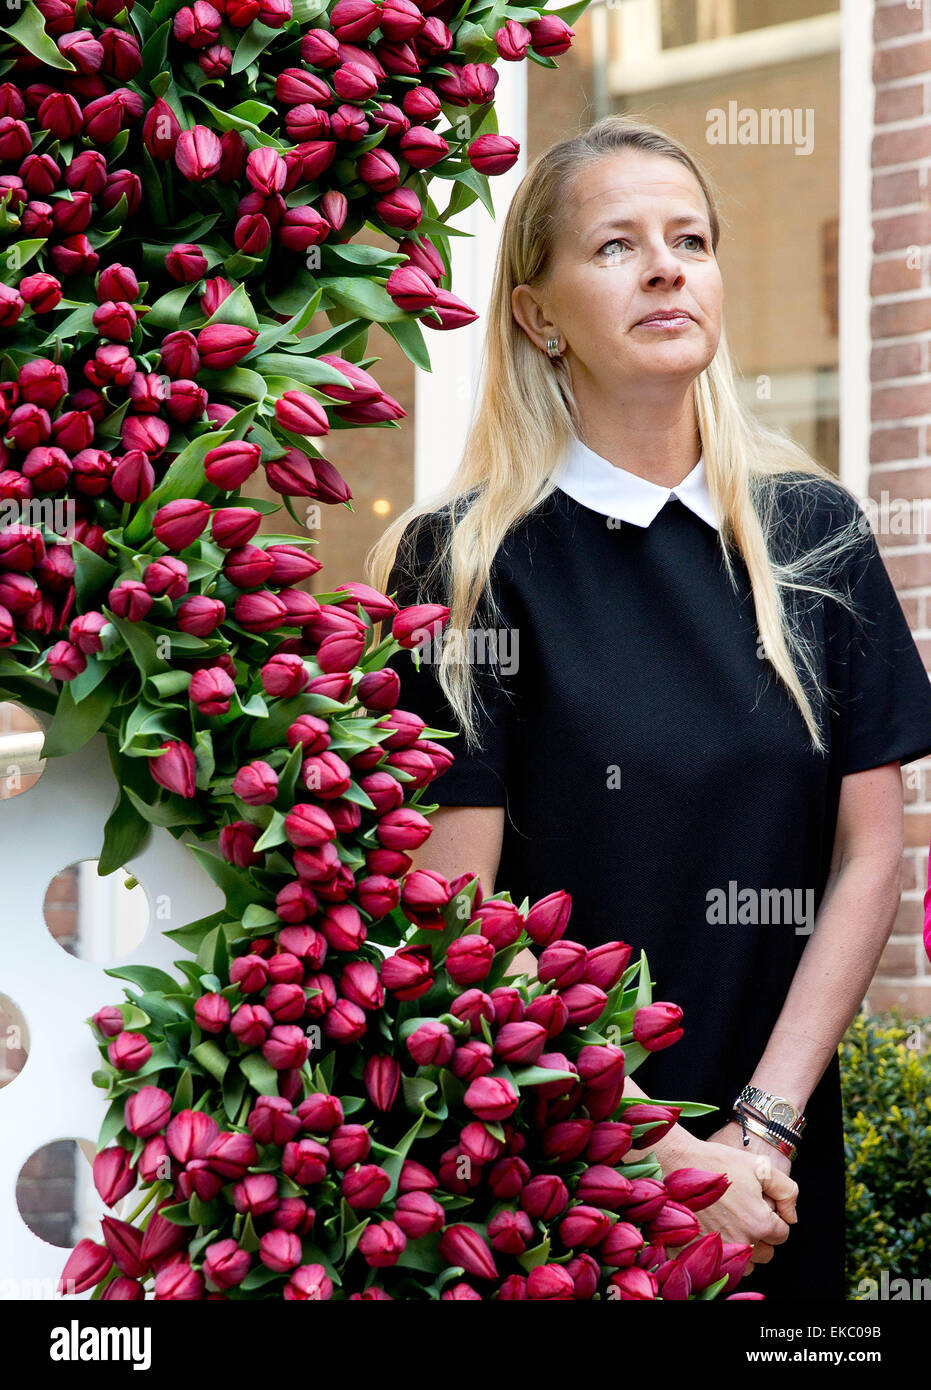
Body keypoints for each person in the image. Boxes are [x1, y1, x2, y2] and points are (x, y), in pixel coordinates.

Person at [366, 115, 931, 1302]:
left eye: (689, 239)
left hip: (770, 1180)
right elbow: (454, 923)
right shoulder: (464, 564)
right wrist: (658, 1152)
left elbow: (870, 859)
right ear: (536, 313)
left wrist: (759, 1133)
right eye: (617, 246)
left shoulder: (812, 536)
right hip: (559, 1160)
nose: (668, 266)